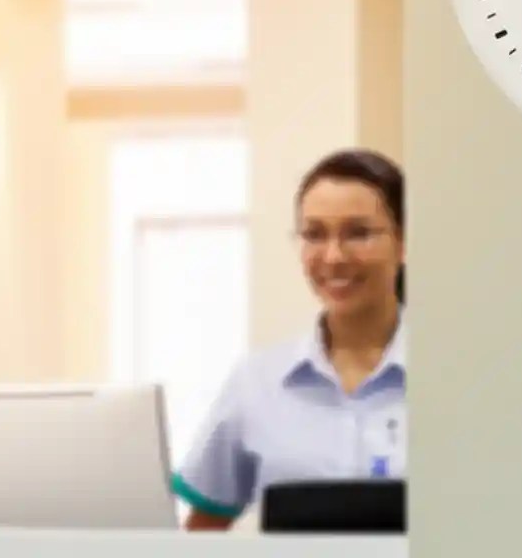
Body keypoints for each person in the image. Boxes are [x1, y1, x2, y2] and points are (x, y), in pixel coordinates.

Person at [171, 148, 407, 531]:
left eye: (359, 233)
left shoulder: (456, 377)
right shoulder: (256, 383)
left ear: (403, 243)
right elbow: (203, 532)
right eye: (314, 234)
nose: (333, 257)